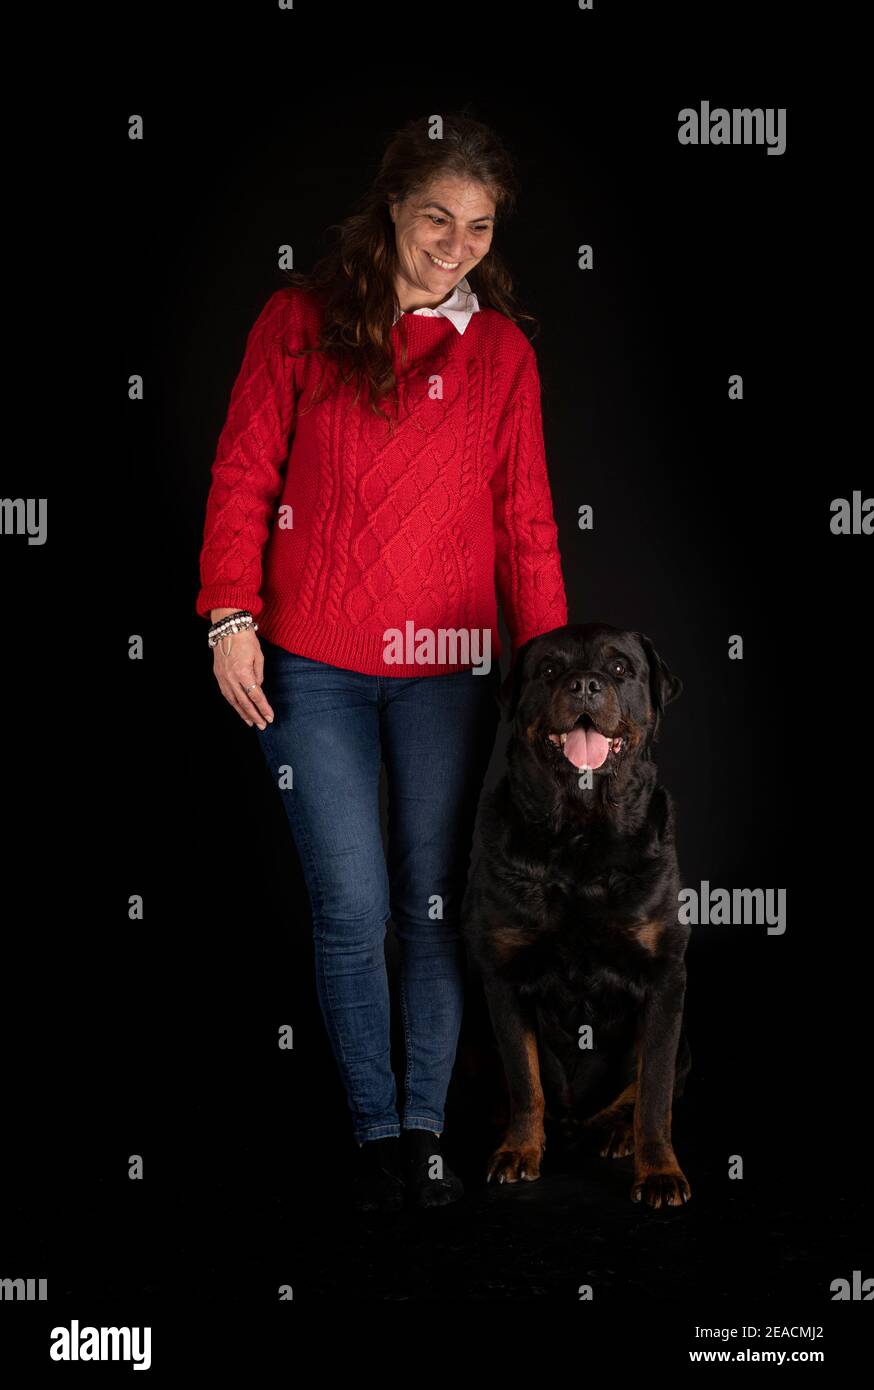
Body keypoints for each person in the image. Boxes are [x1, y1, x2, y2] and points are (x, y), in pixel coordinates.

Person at [194, 112, 568, 1212]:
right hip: (310, 662)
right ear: (391, 209)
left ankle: (426, 1125)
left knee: (433, 903)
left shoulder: (500, 354)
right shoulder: (297, 322)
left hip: (451, 668)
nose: (456, 244)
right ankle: (372, 1127)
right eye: (436, 219)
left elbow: (527, 521)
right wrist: (228, 615)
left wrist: (546, 683)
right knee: (351, 906)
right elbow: (241, 474)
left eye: (479, 228)